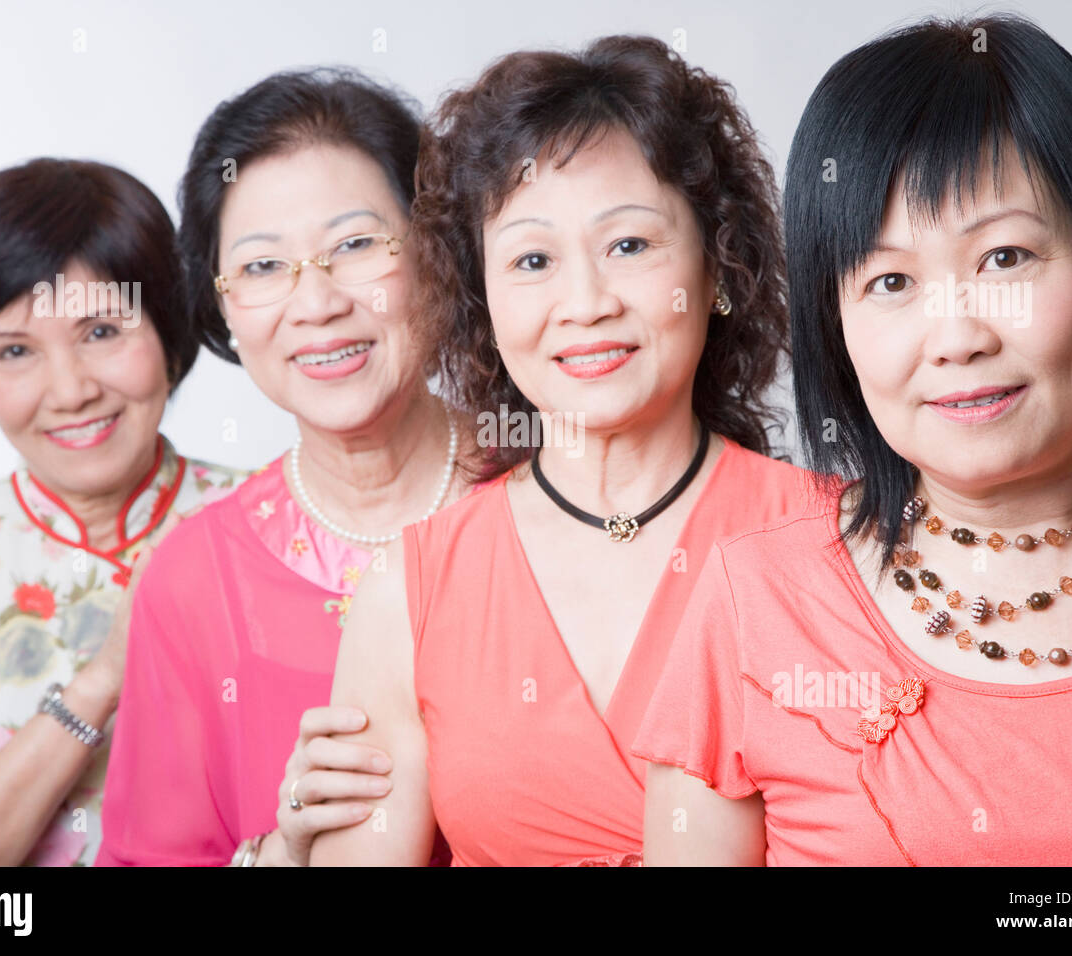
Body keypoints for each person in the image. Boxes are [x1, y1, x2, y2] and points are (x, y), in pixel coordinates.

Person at [637, 15, 1072, 865]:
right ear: (838, 329)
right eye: (890, 280)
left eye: (1005, 258)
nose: (956, 335)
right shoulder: (759, 602)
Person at [295, 35, 815, 867]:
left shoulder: (838, 543)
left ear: (717, 268)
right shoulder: (412, 591)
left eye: (631, 246)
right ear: (483, 302)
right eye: (532, 260)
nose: (585, 303)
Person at [97, 69, 460, 867]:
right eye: (263, 267)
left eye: (357, 245)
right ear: (222, 303)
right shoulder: (193, 580)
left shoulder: (567, 496)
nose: (317, 301)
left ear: (437, 250)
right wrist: (280, 854)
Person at [0, 159, 244, 865]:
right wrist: (101, 680)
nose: (71, 390)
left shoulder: (278, 518)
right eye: (16, 351)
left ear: (171, 332)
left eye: (102, 333)